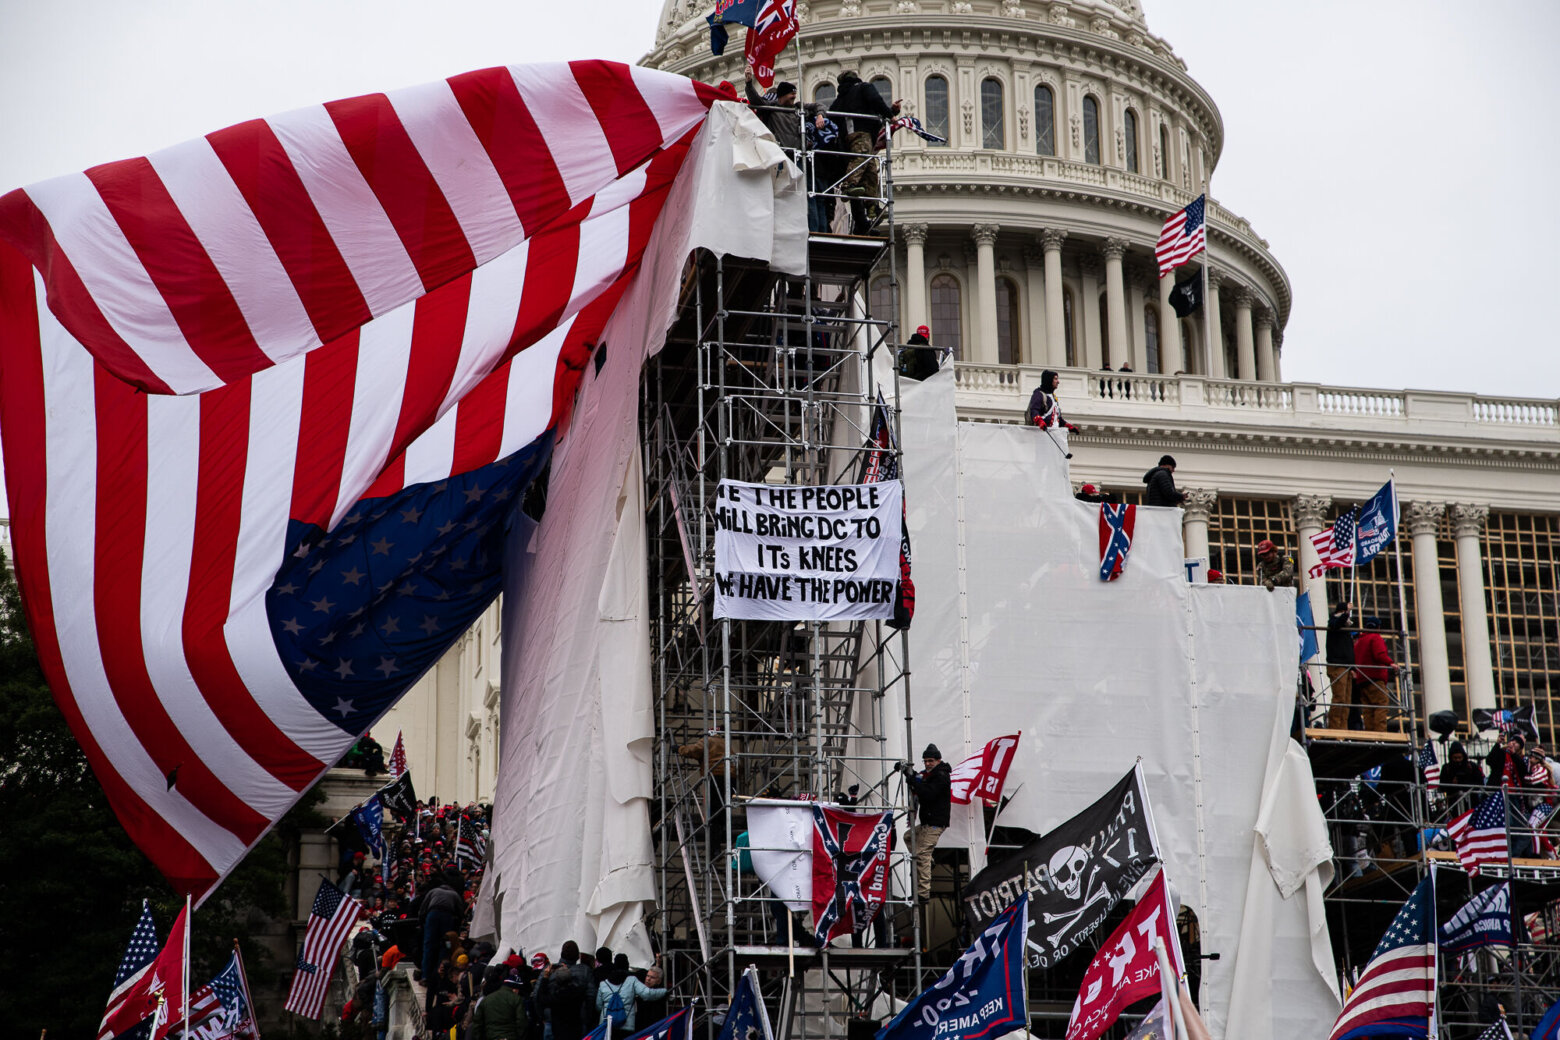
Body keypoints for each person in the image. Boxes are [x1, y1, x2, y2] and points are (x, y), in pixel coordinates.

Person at [832, 71, 900, 233]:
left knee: (870, 169)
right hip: (862, 133)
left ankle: (871, 205)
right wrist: (891, 115)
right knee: (862, 157)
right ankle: (849, 185)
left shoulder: (840, 99)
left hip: (847, 137)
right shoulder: (864, 88)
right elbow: (875, 102)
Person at [900, 743, 951, 904]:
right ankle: (929, 861)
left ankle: (922, 894)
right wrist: (906, 772)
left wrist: (912, 781)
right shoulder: (930, 775)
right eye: (925, 761)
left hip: (934, 823)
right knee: (908, 837)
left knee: (921, 854)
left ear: (938, 760)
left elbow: (927, 793)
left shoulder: (941, 776)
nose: (927, 764)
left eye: (930, 761)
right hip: (928, 822)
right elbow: (919, 779)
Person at [596, 954, 667, 1035]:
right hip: (626, 1026)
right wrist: (665, 992)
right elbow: (647, 994)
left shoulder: (603, 983)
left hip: (606, 1024)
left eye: (652, 977)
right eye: (647, 976)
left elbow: (598, 1006)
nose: (648, 979)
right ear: (627, 964)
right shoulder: (632, 980)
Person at [1351, 617, 1397, 733]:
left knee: (1368, 709)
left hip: (1362, 680)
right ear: (1378, 627)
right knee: (1381, 704)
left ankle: (1370, 733)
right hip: (1375, 678)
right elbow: (1379, 655)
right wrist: (1391, 663)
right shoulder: (1375, 638)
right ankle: (1380, 734)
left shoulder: (1359, 641)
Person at [804, 102, 843, 233]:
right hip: (825, 166)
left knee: (814, 198)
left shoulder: (808, 124)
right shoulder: (828, 126)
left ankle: (816, 231)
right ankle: (822, 230)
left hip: (816, 166)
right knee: (820, 199)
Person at [743, 76, 802, 152]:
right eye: (792, 94)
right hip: (779, 153)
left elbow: (816, 106)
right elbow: (756, 100)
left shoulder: (798, 108)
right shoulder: (772, 107)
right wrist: (749, 83)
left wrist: (820, 115)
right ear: (783, 95)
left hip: (797, 155)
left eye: (795, 94)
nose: (794, 96)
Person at [470, 969, 529, 1040]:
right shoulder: (517, 999)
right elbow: (521, 1022)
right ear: (515, 989)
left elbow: (477, 1023)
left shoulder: (486, 999)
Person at [1324, 600, 1356, 730]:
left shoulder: (1346, 629)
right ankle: (1335, 727)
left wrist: (1353, 668)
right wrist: (1346, 611)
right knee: (1339, 698)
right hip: (1338, 666)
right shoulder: (1333, 622)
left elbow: (1349, 650)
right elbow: (1336, 624)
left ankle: (1343, 728)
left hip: (1346, 667)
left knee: (1346, 701)